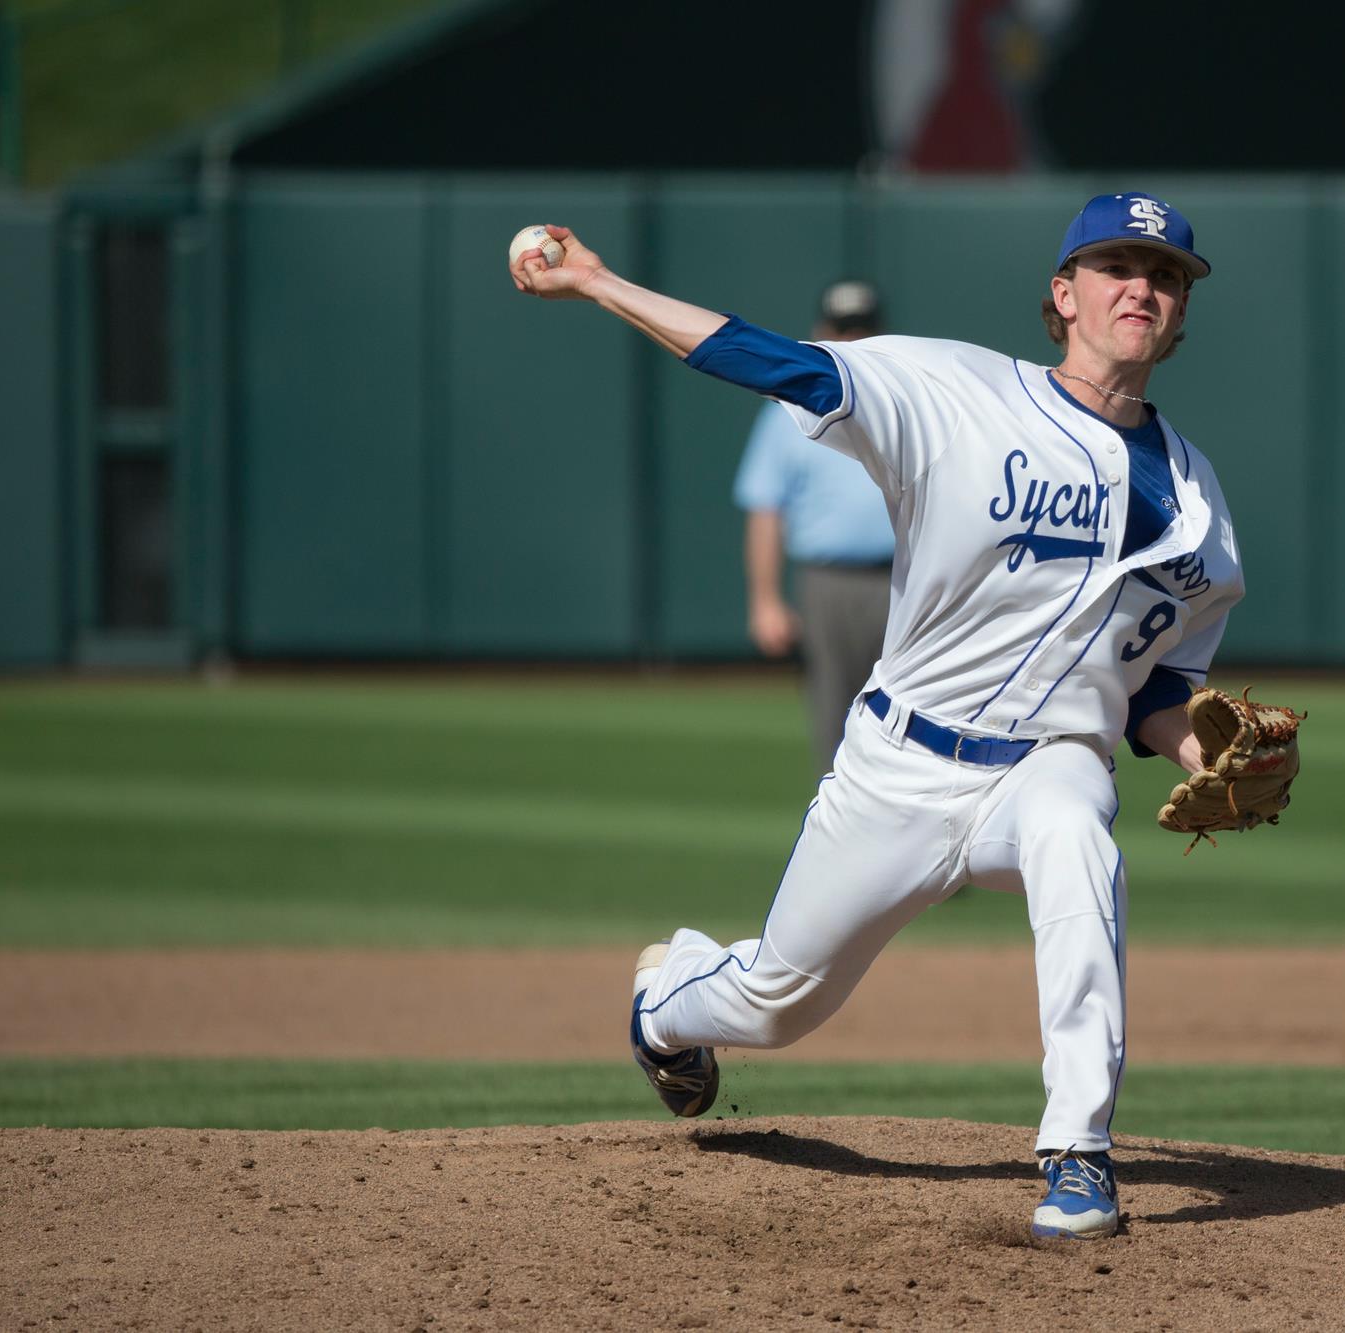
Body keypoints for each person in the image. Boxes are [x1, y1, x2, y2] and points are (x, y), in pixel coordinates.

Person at [510, 191, 1244, 1241]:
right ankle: (665, 1002)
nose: (1142, 287)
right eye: (1117, 266)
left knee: (1077, 834)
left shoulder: (1198, 505)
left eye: (1165, 274)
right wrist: (596, 282)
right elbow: (769, 360)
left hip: (1046, 761)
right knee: (778, 1001)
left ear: (1179, 310)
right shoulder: (956, 392)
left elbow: (1157, 687)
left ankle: (1077, 1153)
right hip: (898, 767)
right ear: (1062, 293)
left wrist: (1198, 746)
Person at [733, 280, 896, 776]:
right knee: (835, 719)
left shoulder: (903, 402)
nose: (851, 342)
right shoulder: (788, 409)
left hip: (906, 577)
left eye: (861, 330)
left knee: (911, 717)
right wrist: (765, 600)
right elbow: (765, 507)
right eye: (842, 330)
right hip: (830, 581)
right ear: (821, 333)